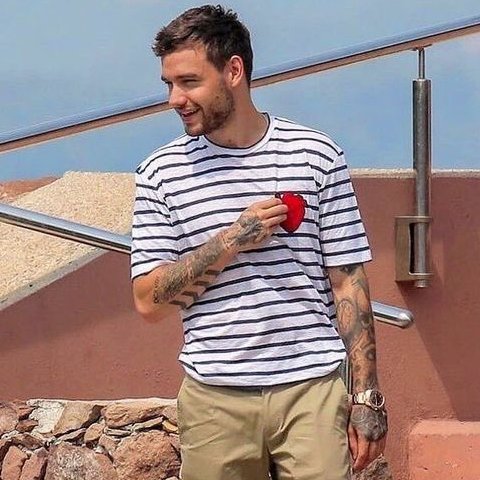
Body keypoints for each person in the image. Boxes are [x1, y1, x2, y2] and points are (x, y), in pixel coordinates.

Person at [131, 4, 388, 479]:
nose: (174, 99)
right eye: (168, 84)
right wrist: (230, 241)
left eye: (188, 82)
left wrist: (367, 397)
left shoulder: (316, 154)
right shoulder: (160, 173)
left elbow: (348, 281)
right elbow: (148, 302)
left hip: (313, 391)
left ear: (234, 71)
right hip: (213, 399)